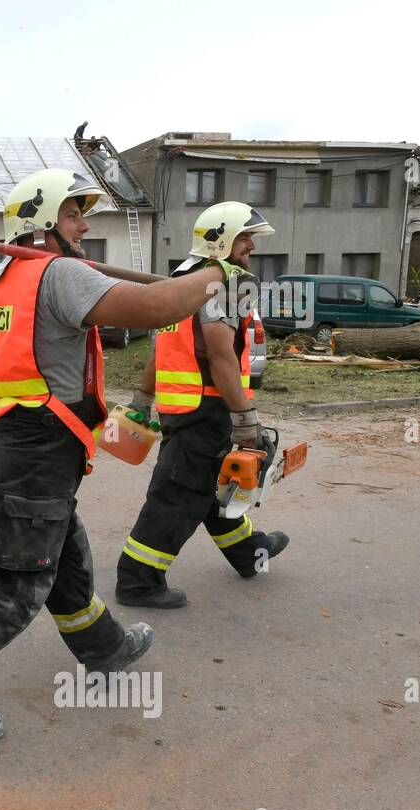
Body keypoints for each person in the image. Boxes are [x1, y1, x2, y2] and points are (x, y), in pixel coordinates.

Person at [0, 169, 246, 745]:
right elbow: (156, 307)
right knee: (12, 583)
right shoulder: (57, 274)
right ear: (43, 225)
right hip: (35, 451)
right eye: (72, 214)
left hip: (5, 446)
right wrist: (217, 274)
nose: (84, 224)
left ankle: (104, 648)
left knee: (64, 556)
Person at [115, 201, 288, 608]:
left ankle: (250, 553)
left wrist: (143, 400)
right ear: (221, 240)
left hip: (182, 408)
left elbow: (161, 349)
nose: (251, 247)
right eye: (245, 238)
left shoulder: (181, 282)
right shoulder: (225, 285)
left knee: (209, 487)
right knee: (177, 495)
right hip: (208, 411)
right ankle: (137, 581)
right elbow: (220, 354)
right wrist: (245, 419)